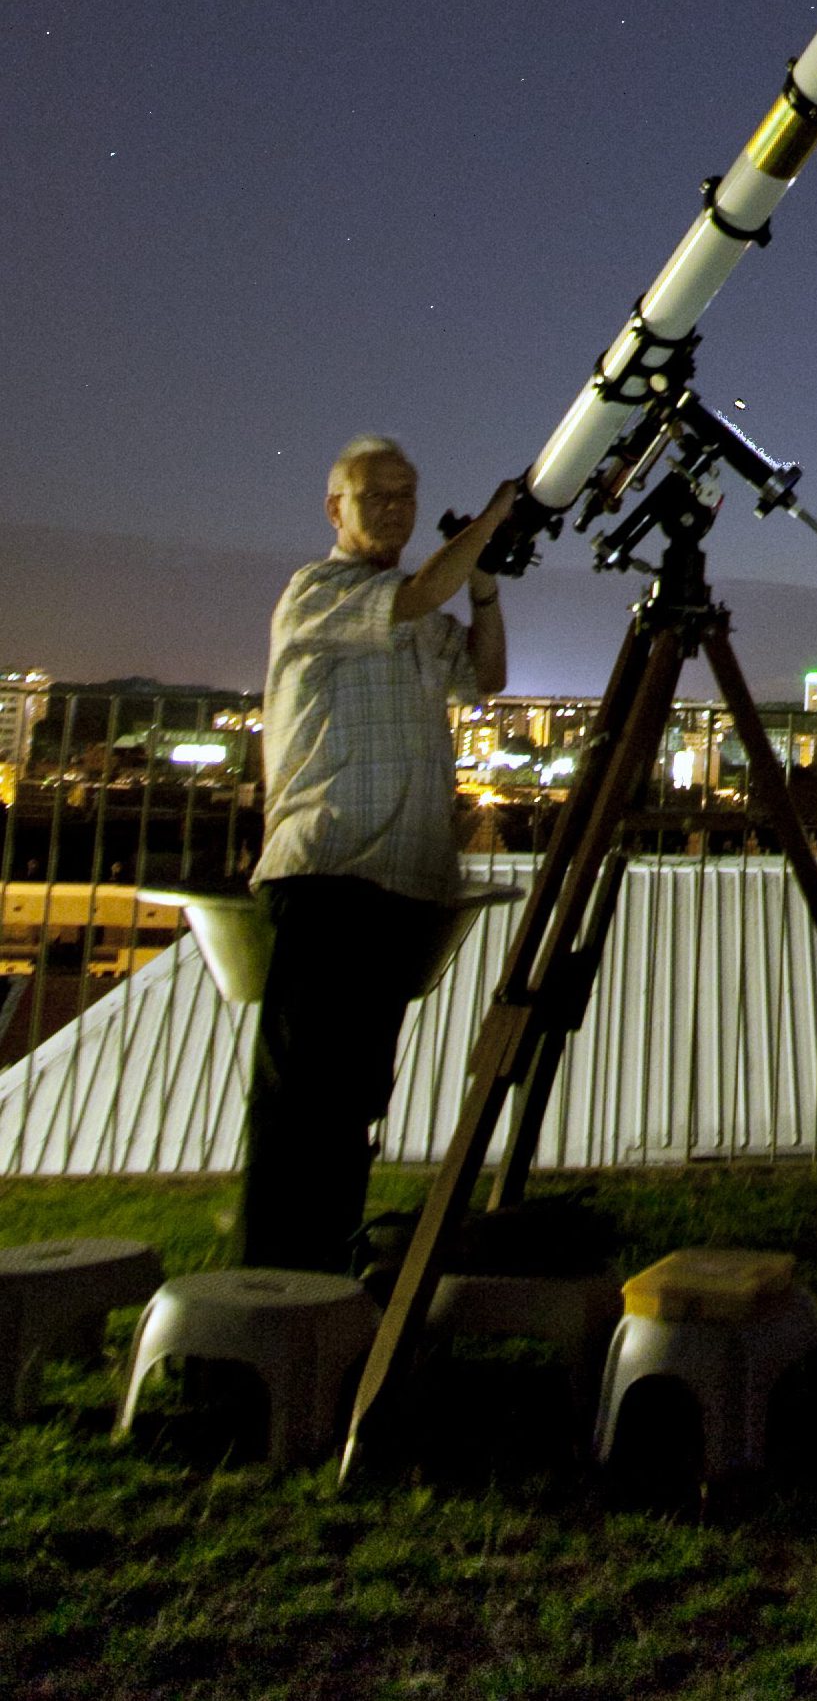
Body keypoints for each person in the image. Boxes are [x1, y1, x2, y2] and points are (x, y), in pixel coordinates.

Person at [242, 436, 516, 1272]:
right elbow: (418, 592)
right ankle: (268, 1286)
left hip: (395, 882)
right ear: (336, 509)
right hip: (329, 874)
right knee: (301, 1104)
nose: (396, 509)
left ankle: (324, 1270)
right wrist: (493, 521)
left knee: (352, 1098)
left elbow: (488, 675)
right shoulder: (318, 590)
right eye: (376, 496)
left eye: (406, 495)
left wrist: (485, 583)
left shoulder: (420, 610)